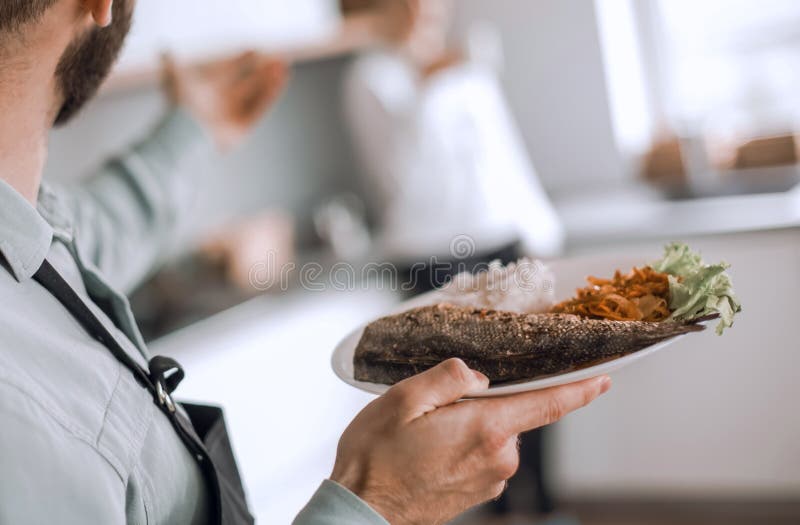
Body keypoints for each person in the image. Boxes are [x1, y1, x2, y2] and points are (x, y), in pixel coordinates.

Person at [0, 1, 611, 524]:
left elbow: (88, 226)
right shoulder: (20, 415)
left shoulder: (28, 223)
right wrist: (375, 501)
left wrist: (191, 128)